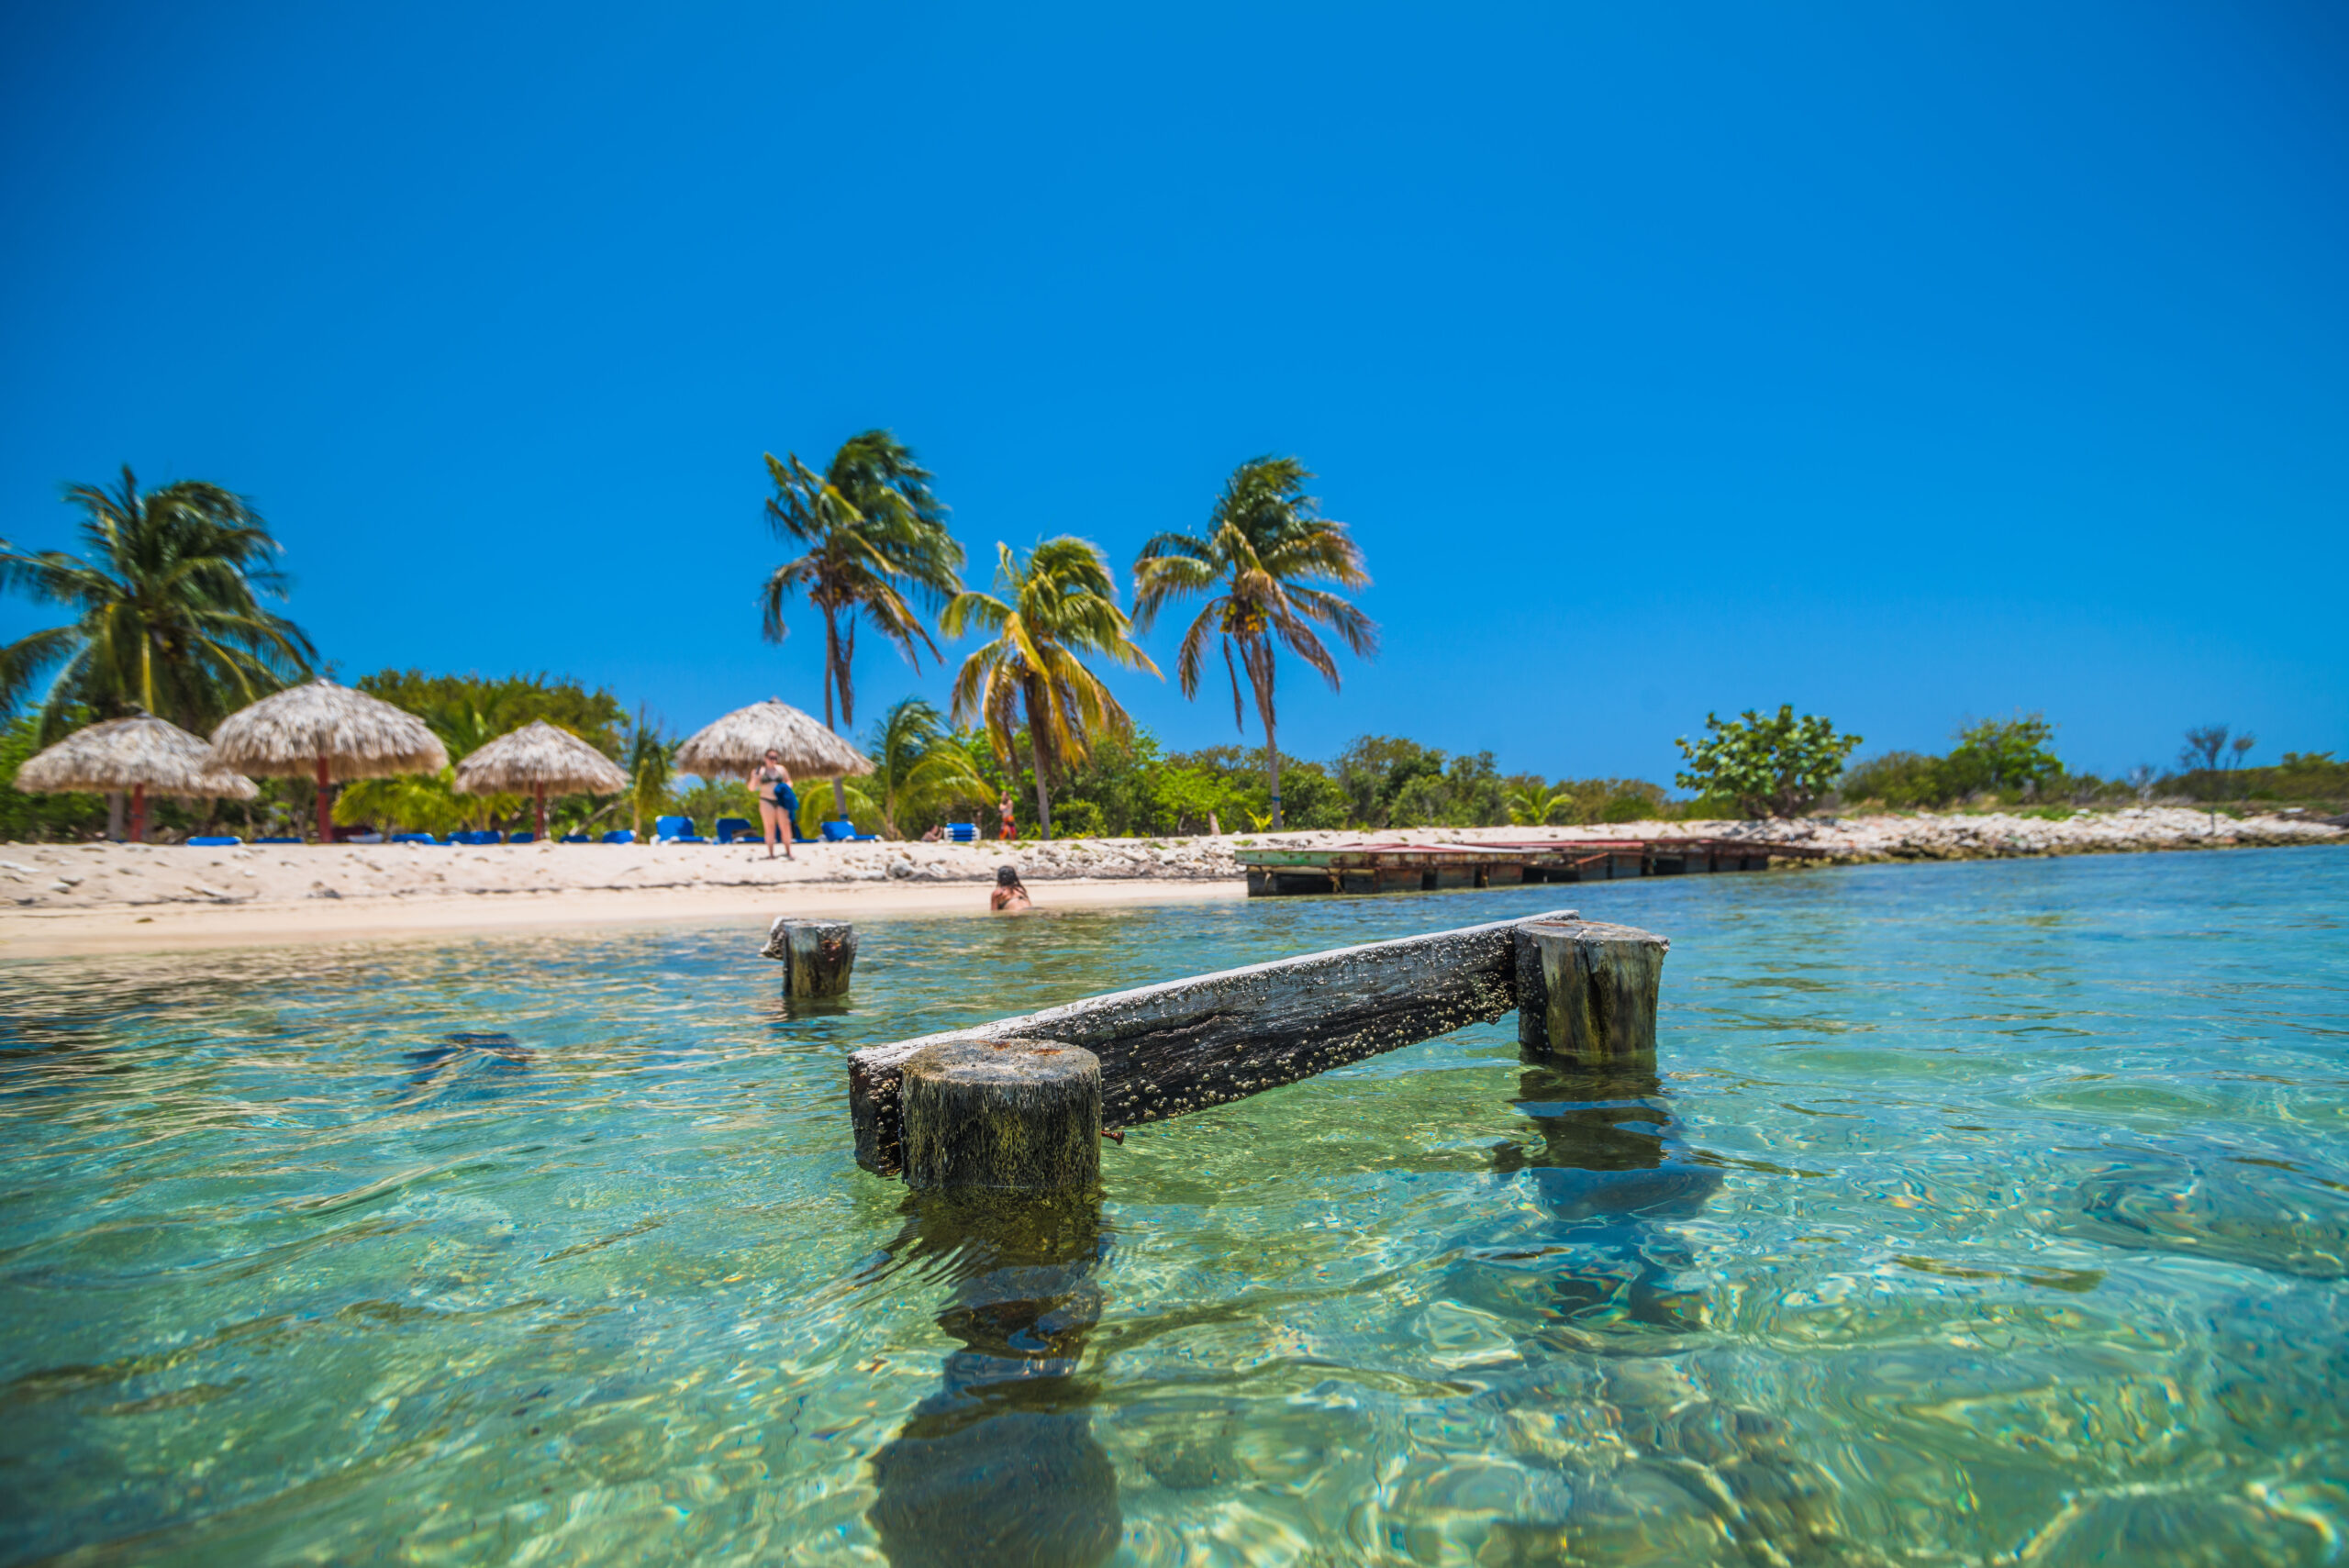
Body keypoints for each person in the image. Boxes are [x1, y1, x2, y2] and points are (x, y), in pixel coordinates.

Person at [751, 750, 797, 861]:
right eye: (771, 757)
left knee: (785, 826)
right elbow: (752, 788)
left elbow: (789, 781)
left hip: (781, 800)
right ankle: (771, 854)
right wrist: (754, 778)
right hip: (766, 800)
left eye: (775, 758)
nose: (773, 760)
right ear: (765, 758)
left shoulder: (781, 769)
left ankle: (789, 852)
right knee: (769, 827)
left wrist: (787, 787)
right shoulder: (759, 771)